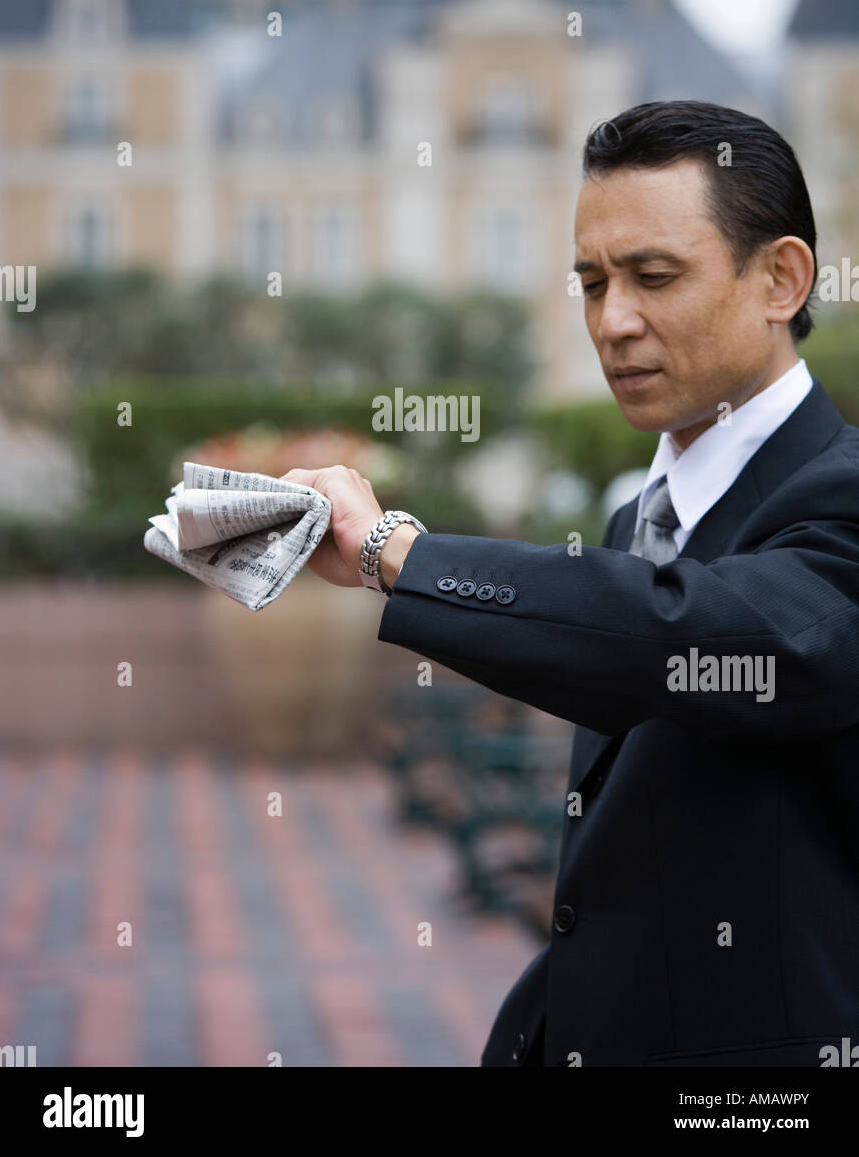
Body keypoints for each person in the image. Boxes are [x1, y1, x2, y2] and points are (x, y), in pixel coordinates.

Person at [282, 100, 859, 1067]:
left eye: (654, 277)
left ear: (782, 278)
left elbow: (688, 640)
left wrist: (400, 555)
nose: (612, 321)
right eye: (590, 282)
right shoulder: (639, 518)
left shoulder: (842, 496)